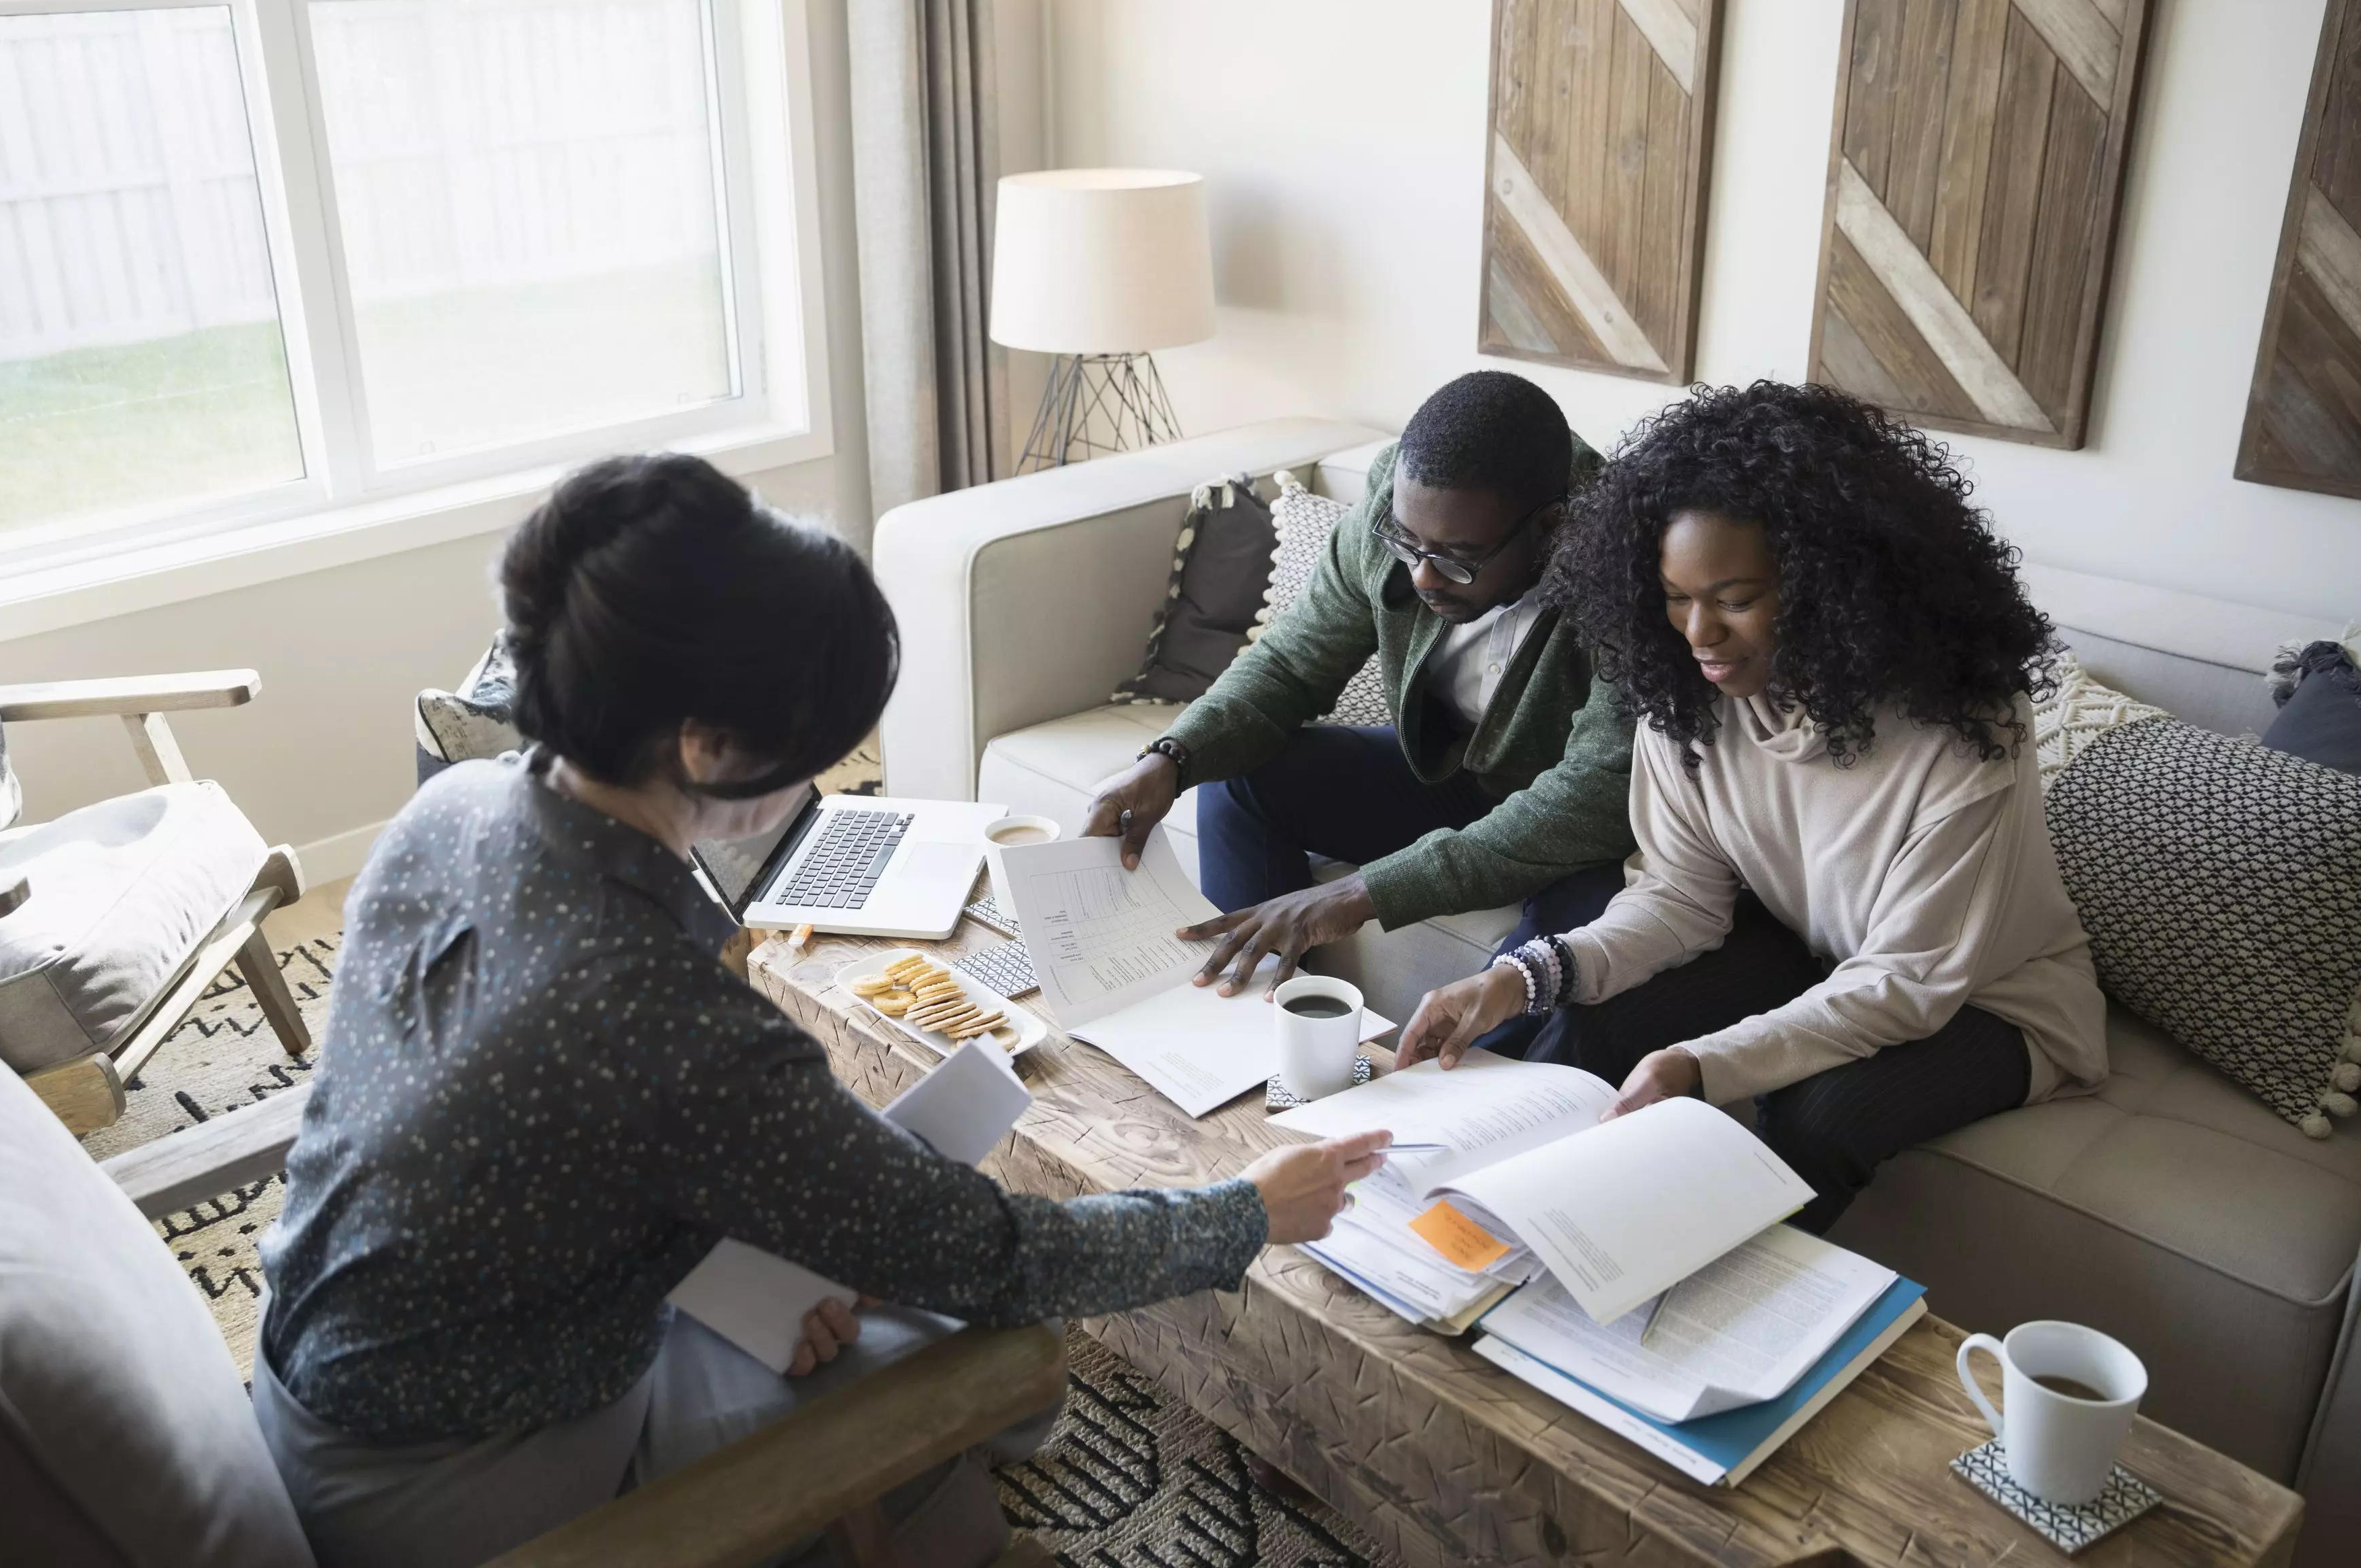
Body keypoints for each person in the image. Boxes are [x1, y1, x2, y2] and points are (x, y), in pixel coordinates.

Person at [252, 454, 1390, 1568]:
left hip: (332, 1371)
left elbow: (522, 1132)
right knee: (997, 1352)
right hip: (465, 1487)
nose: (823, 777)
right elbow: (993, 1255)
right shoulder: (665, 1023)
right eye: (815, 750)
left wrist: (737, 1271)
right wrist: (1246, 1212)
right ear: (704, 746)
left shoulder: (453, 807)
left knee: (860, 1297)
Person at [1393, 383, 2110, 1230]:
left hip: (1986, 998)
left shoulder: (1959, 728)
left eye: (1734, 599)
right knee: (1583, 1025)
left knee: (1816, 1115)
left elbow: (1904, 983)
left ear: (1829, 584)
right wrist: (1522, 976)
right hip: (1812, 950)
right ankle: (1512, 1246)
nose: (1697, 633)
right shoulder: (1685, 693)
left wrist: (1700, 1063)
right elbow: (1679, 897)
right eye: (1673, 596)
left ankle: (1711, 1324)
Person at [1081, 370, 1637, 999]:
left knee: (1545, 973)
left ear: (1551, 528)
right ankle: (1252, 1024)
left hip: (1584, 832)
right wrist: (1170, 758)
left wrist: (1357, 894)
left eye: (1456, 557)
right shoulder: (1394, 515)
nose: (1423, 578)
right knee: (1239, 774)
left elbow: (1591, 798)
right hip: (1459, 779)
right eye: (1408, 544)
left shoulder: (1630, 569)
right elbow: (1293, 662)